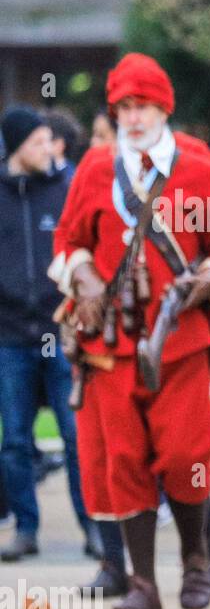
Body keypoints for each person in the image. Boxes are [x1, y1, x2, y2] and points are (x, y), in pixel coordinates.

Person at [49, 53, 210, 609]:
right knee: (125, 460)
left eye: (145, 106)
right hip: (110, 345)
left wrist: (204, 281)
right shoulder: (93, 170)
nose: (135, 118)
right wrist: (84, 277)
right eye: (126, 107)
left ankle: (196, 564)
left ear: (165, 109)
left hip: (178, 340)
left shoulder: (198, 170)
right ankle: (142, 584)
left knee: (186, 456)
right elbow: (67, 242)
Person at [0, 106, 100, 563]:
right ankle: (26, 527)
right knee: (16, 439)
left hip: (59, 332)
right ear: (17, 146)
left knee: (76, 434)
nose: (50, 149)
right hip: (9, 335)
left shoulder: (66, 188)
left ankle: (94, 527)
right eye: (38, 142)